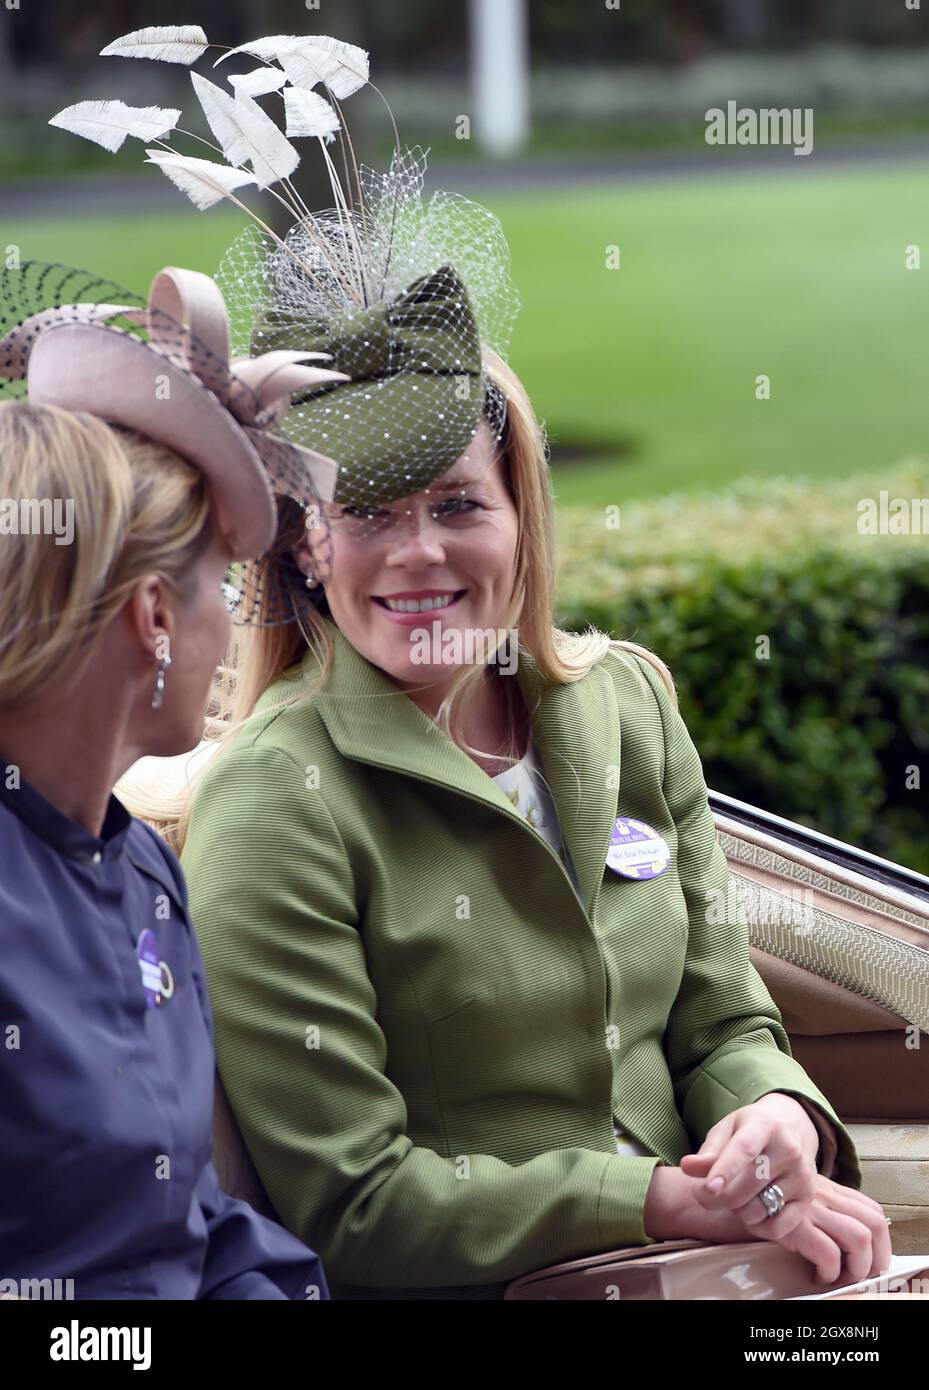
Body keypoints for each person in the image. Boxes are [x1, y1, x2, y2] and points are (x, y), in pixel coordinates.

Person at [77, 27, 890, 1299]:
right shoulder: (277, 802)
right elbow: (357, 1206)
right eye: (366, 512)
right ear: (302, 547)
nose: (417, 557)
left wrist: (775, 1116)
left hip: (718, 1265)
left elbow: (725, 1020)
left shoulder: (622, 704)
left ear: (523, 515)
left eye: (458, 503)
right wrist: (654, 1193)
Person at [0, 260, 346, 1299]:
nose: (233, 622)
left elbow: (186, 1224)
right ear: (154, 618)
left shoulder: (141, 866)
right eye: (221, 586)